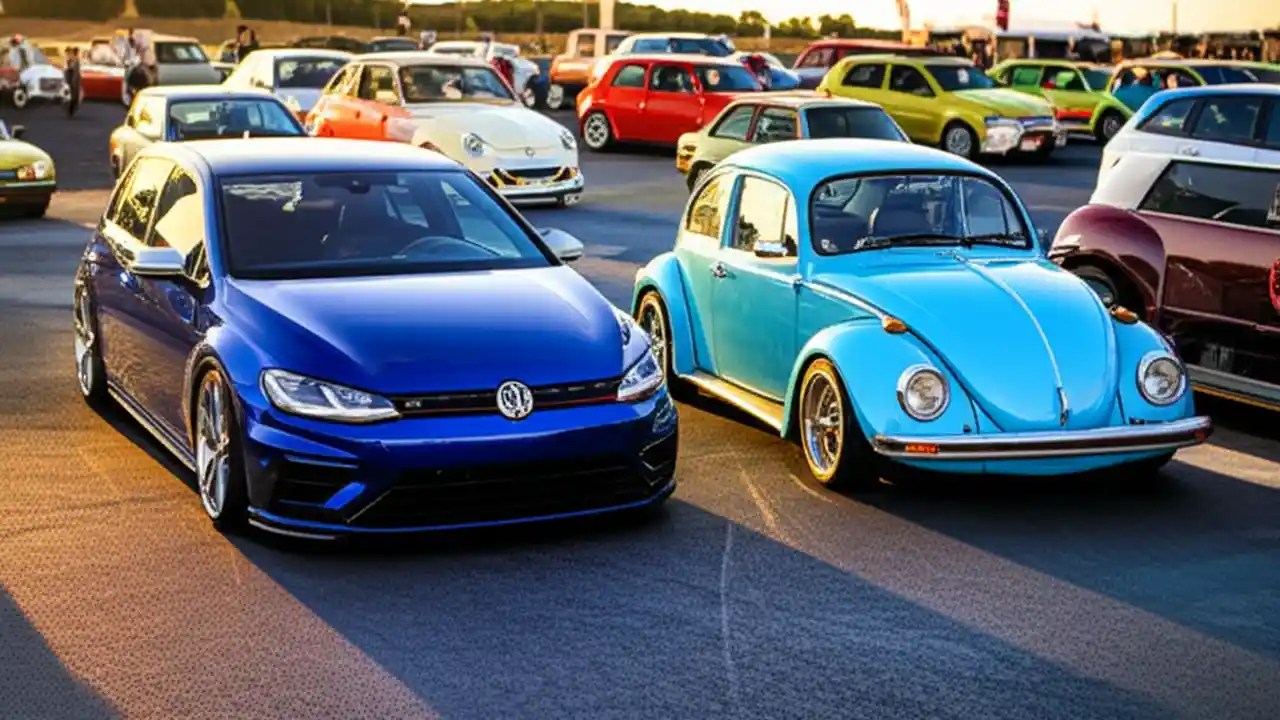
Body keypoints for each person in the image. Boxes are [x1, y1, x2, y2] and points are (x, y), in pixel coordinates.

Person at [64, 45, 81, 117]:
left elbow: (72, 70)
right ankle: (71, 110)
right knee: (72, 96)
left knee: (73, 96)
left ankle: (71, 110)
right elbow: (69, 70)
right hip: (72, 80)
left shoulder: (74, 60)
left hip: (73, 79)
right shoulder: (72, 60)